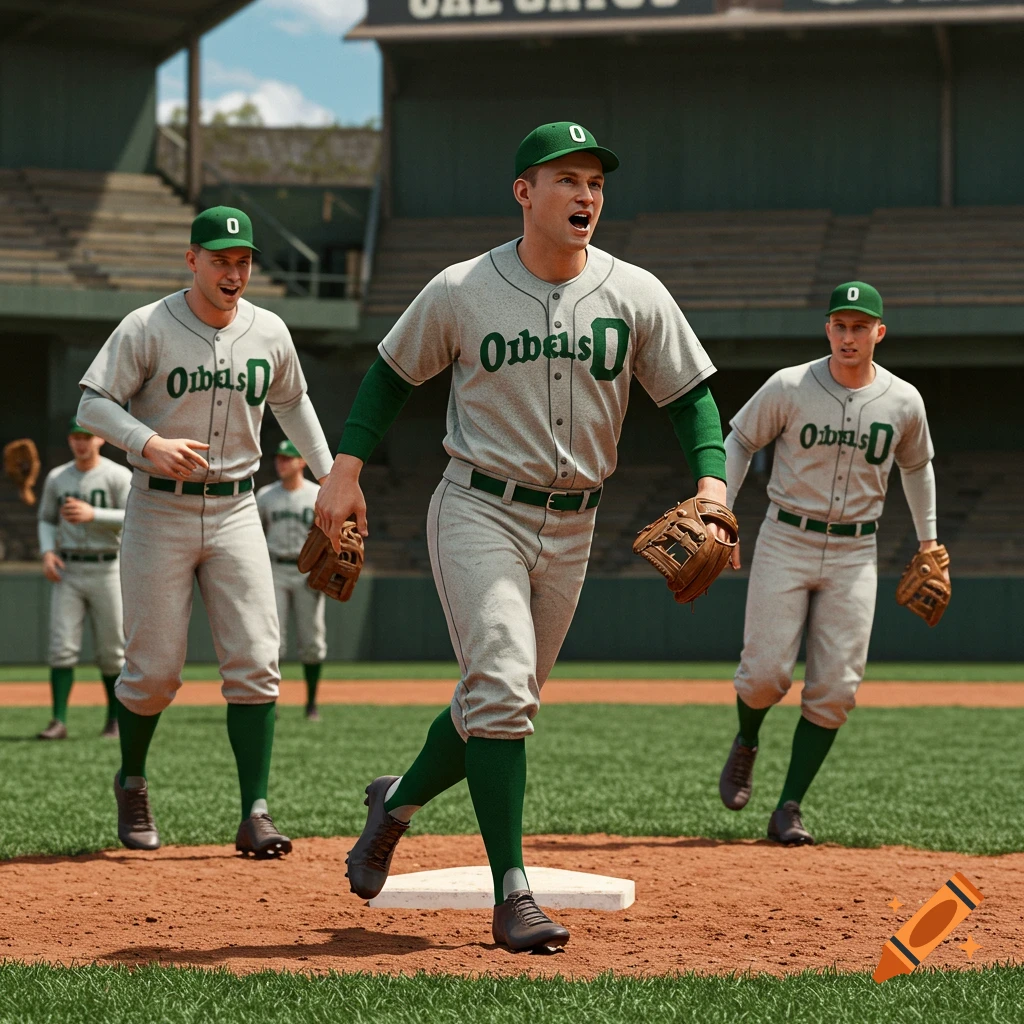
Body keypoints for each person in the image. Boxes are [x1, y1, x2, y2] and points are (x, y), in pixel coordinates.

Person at [315, 122, 728, 951]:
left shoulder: (635, 291)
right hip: (479, 509)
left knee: (494, 703)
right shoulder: (463, 288)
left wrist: (712, 481)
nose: (586, 195)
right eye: (567, 179)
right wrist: (346, 469)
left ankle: (392, 804)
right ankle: (514, 893)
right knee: (502, 691)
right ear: (524, 193)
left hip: (576, 524)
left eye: (596, 183)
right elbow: (391, 377)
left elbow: (689, 396)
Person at [76, 206, 333, 857]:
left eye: (242, 260)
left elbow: (293, 402)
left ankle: (256, 811)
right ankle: (131, 780)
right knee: (155, 674)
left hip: (236, 510)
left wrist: (333, 480)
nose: (233, 271)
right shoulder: (147, 326)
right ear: (192, 260)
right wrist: (147, 441)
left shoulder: (268, 330)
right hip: (158, 509)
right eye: (220, 259)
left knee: (255, 662)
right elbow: (92, 402)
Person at [718, 281, 945, 845]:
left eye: (860, 326)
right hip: (786, 538)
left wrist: (928, 543)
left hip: (855, 551)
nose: (849, 336)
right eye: (840, 325)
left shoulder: (903, 400)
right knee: (766, 675)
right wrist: (718, 510)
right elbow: (740, 440)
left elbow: (917, 468)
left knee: (837, 689)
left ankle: (789, 806)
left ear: (878, 333)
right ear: (827, 329)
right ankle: (747, 740)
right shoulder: (790, 385)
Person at [36, 417, 131, 740]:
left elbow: (135, 515)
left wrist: (95, 515)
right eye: (76, 436)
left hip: (108, 567)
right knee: (61, 647)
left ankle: (115, 720)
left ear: (100, 439)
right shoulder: (58, 477)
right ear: (70, 440)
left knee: (112, 651)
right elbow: (47, 519)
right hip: (70, 568)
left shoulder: (117, 475)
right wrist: (48, 551)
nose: (81, 442)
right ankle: (58, 720)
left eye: (87, 436)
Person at [257, 439, 326, 720]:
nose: (281, 462)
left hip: (309, 572)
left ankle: (311, 704)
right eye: (279, 458)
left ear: (302, 462)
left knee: (312, 640)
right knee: (274, 641)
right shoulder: (265, 495)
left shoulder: (318, 494)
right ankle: (270, 703)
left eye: (288, 458)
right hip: (274, 568)